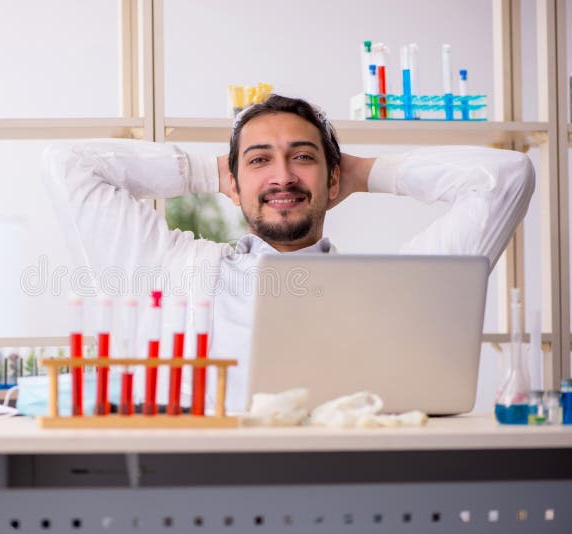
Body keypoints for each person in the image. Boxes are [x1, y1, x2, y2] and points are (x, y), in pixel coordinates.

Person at [43, 94, 535, 411]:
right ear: (232, 181)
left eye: (303, 157)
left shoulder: (396, 289)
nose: (282, 176)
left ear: (333, 177)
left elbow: (507, 178)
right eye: (260, 161)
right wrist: (214, 172)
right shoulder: (173, 271)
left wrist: (362, 173)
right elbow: (69, 165)